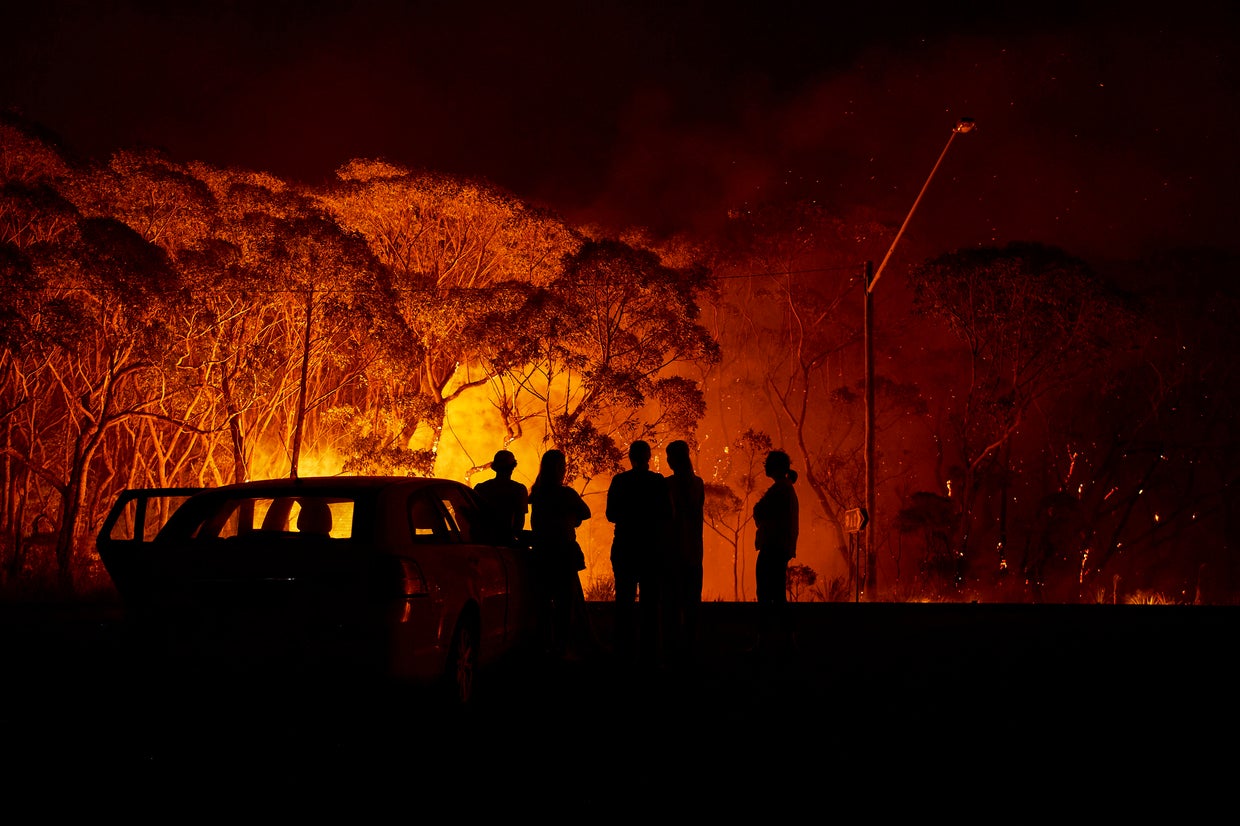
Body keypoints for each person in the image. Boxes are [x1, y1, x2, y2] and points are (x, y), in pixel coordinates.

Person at [606, 439, 673, 668]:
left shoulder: (620, 481)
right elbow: (667, 513)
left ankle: (623, 651)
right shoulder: (657, 482)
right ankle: (650, 653)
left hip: (625, 546)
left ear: (630, 457)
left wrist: (629, 515)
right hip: (651, 549)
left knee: (624, 601)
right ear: (648, 457)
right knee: (651, 603)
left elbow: (611, 514)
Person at [528, 449, 592, 658]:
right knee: (565, 605)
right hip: (563, 556)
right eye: (563, 466)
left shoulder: (536, 494)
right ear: (558, 469)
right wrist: (571, 519)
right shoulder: (566, 494)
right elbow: (586, 513)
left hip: (542, 555)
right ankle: (562, 648)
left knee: (544, 604)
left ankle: (545, 646)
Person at [752, 449, 799, 654]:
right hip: (779, 547)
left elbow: (760, 511)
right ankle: (785, 640)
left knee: (766, 594)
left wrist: (758, 512)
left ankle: (765, 642)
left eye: (768, 463)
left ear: (776, 467)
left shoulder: (780, 489)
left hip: (773, 547)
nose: (765, 466)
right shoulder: (785, 488)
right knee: (777, 595)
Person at [664, 439, 705, 665]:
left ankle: (673, 651)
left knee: (671, 604)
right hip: (693, 554)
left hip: (673, 554)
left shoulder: (668, 485)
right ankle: (691, 650)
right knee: (691, 603)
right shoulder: (697, 483)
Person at [473, 449, 528, 545]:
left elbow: (473, 518)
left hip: (483, 543)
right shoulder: (519, 490)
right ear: (513, 467)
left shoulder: (480, 488)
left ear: (494, 467)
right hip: (506, 543)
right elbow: (519, 523)